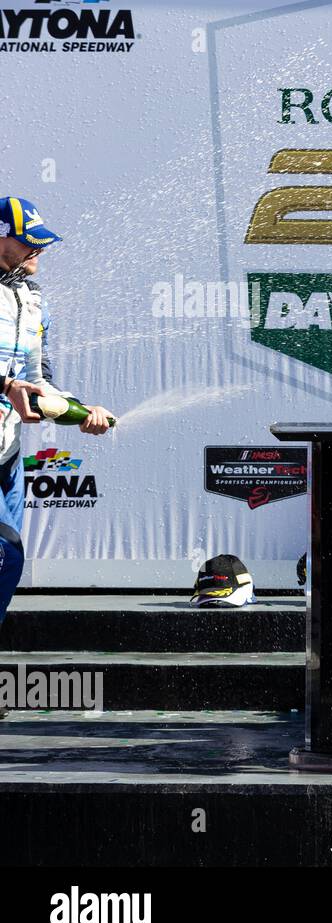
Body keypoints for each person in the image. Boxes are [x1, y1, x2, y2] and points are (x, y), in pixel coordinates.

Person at [0, 198, 114, 717]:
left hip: (5, 452)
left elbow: (40, 382)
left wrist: (80, 411)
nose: (40, 250)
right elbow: (14, 383)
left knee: (10, 560)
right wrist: (5, 385)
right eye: (30, 240)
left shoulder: (32, 295)